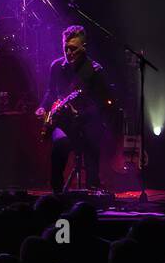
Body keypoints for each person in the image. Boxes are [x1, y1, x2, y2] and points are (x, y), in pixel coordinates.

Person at [36, 25, 115, 193]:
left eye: (73, 49)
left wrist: (82, 113)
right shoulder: (56, 66)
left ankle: (93, 187)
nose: (68, 53)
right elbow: (50, 91)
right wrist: (43, 107)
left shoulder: (95, 70)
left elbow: (103, 102)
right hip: (63, 121)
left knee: (92, 138)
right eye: (65, 48)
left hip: (87, 119)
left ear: (83, 47)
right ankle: (56, 190)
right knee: (60, 143)